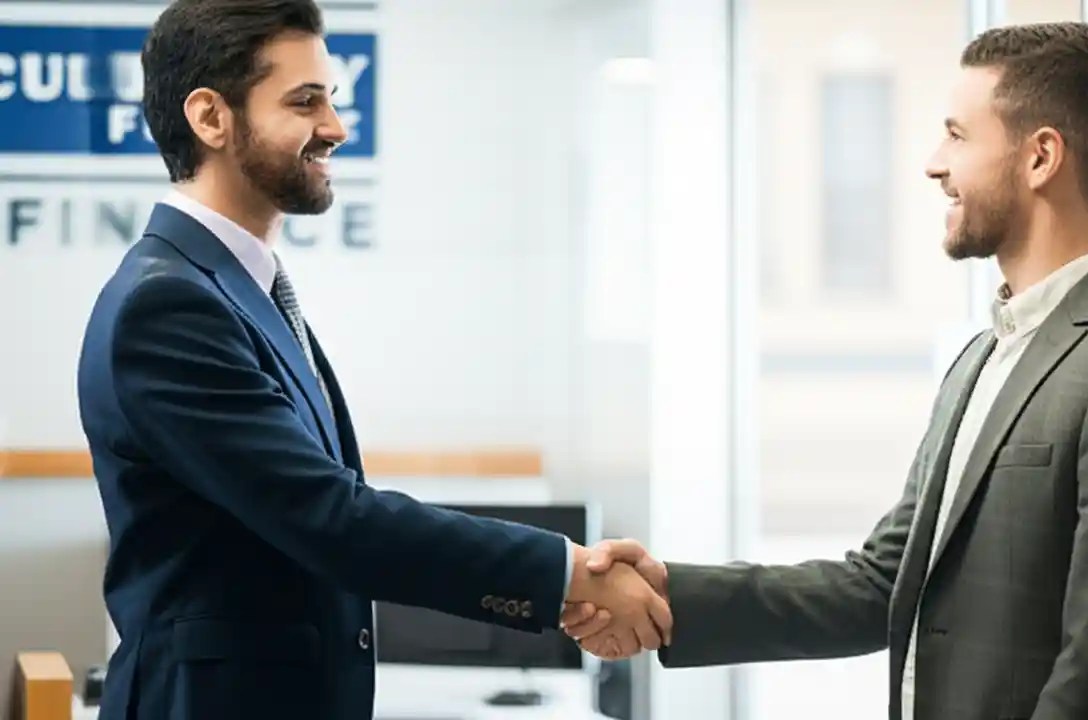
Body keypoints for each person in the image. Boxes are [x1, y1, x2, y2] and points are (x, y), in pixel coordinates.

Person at [561, 21, 1088, 720]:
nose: (933, 163)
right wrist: (668, 596)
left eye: (958, 135)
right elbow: (882, 582)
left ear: (1041, 158)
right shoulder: (982, 358)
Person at [76, 2, 669, 719]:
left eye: (332, 98)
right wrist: (569, 573)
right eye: (305, 101)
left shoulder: (234, 290)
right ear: (210, 118)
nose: (336, 127)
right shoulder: (168, 308)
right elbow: (333, 520)